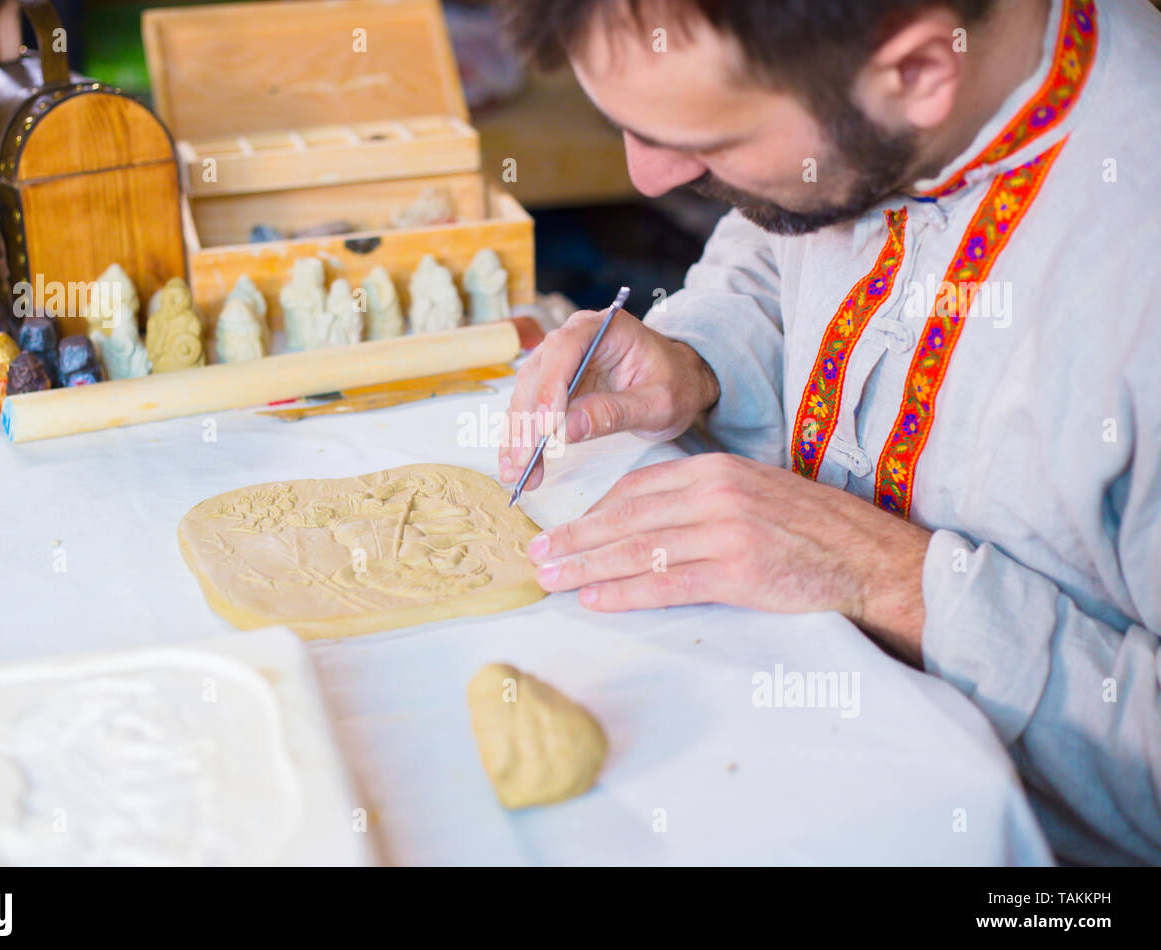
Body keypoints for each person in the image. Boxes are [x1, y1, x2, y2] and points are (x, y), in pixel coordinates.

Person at [497, 0, 1161, 865]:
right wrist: (699, 357)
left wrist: (889, 580)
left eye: (712, 141)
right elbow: (777, 244)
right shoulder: (848, 114)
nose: (649, 176)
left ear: (920, 71)